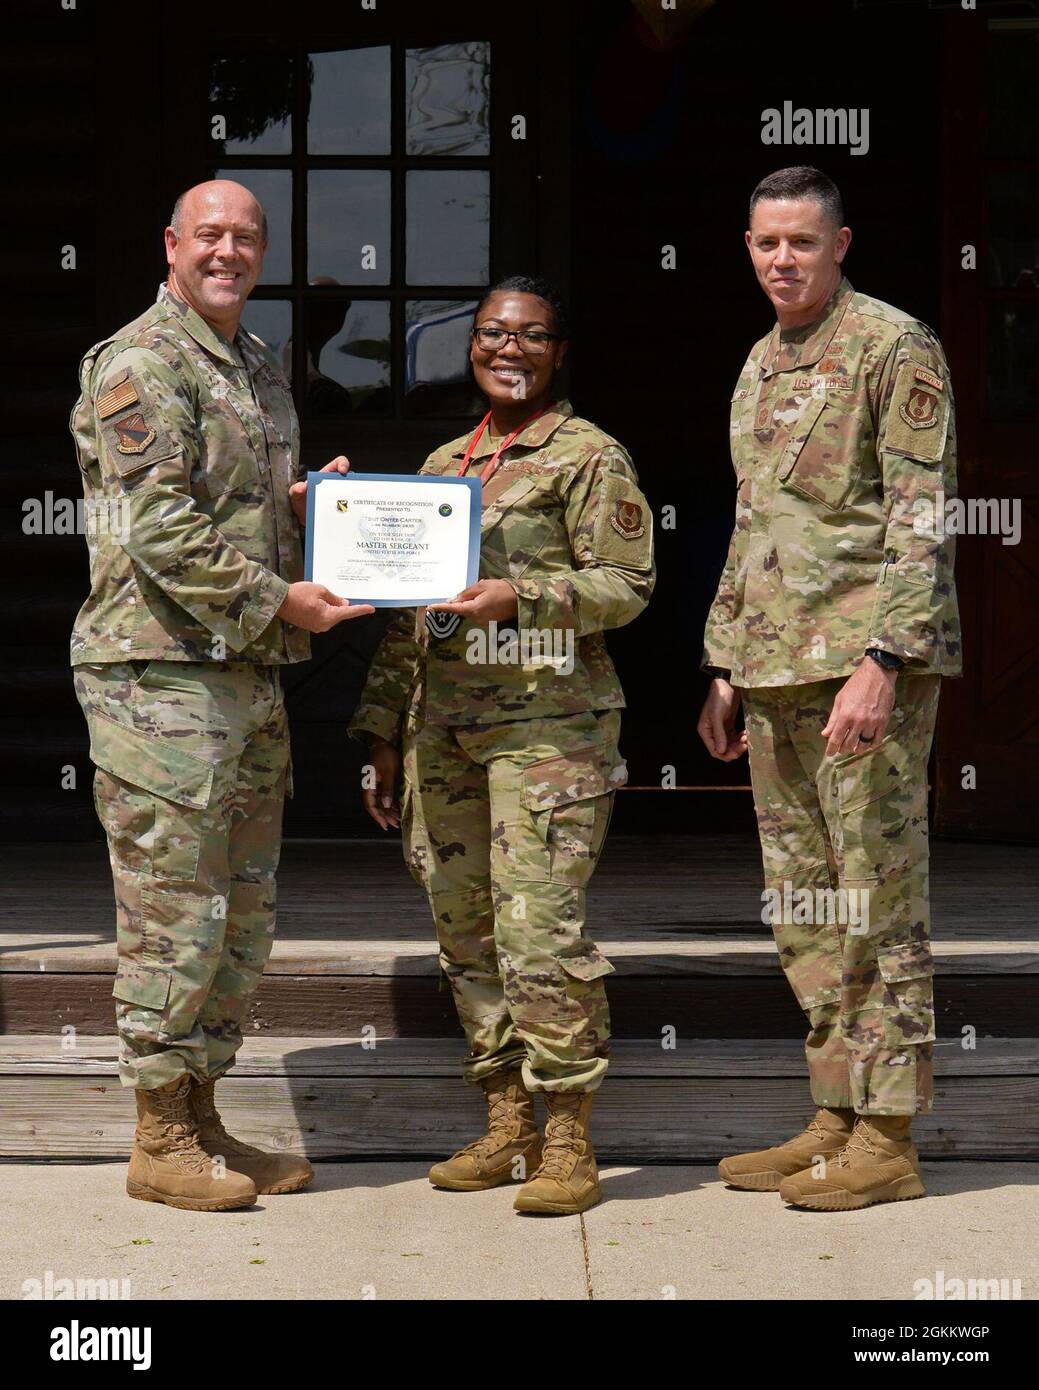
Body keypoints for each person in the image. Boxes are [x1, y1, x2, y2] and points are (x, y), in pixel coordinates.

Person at [70, 179, 373, 1211]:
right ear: (172, 245)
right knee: (173, 911)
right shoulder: (140, 364)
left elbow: (225, 506)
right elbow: (158, 532)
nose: (229, 251)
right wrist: (282, 596)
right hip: (160, 679)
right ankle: (157, 1136)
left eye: (246, 237)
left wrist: (300, 512)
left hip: (238, 677)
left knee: (240, 913)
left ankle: (202, 1117)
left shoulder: (252, 365)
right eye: (210, 234)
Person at [349, 275, 655, 1216]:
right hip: (443, 728)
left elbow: (629, 582)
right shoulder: (444, 465)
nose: (507, 350)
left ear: (559, 351)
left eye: (529, 336)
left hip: (547, 729)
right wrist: (379, 727)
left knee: (538, 934)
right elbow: (409, 617)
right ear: (471, 347)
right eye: (490, 334)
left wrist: (523, 595)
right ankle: (504, 1121)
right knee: (464, 929)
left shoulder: (588, 458)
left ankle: (566, 1137)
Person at [697, 166, 960, 1211]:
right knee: (807, 901)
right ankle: (833, 1111)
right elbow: (751, 521)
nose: (782, 260)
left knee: (877, 897)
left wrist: (885, 660)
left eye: (802, 242)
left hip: (858, 671)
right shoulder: (761, 362)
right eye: (766, 242)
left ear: (840, 243)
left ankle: (888, 1133)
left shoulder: (894, 345)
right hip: (772, 671)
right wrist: (724, 661)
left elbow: (921, 513)